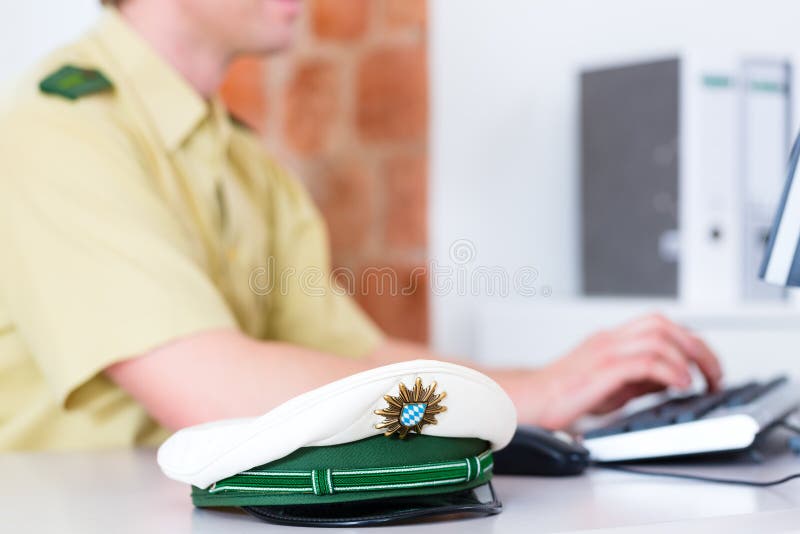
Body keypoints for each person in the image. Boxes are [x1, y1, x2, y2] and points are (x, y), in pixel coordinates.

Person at [0, 0, 722, 451]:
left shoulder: (246, 162)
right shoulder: (57, 130)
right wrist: (524, 401)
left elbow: (361, 354)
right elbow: (206, 388)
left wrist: (557, 386)